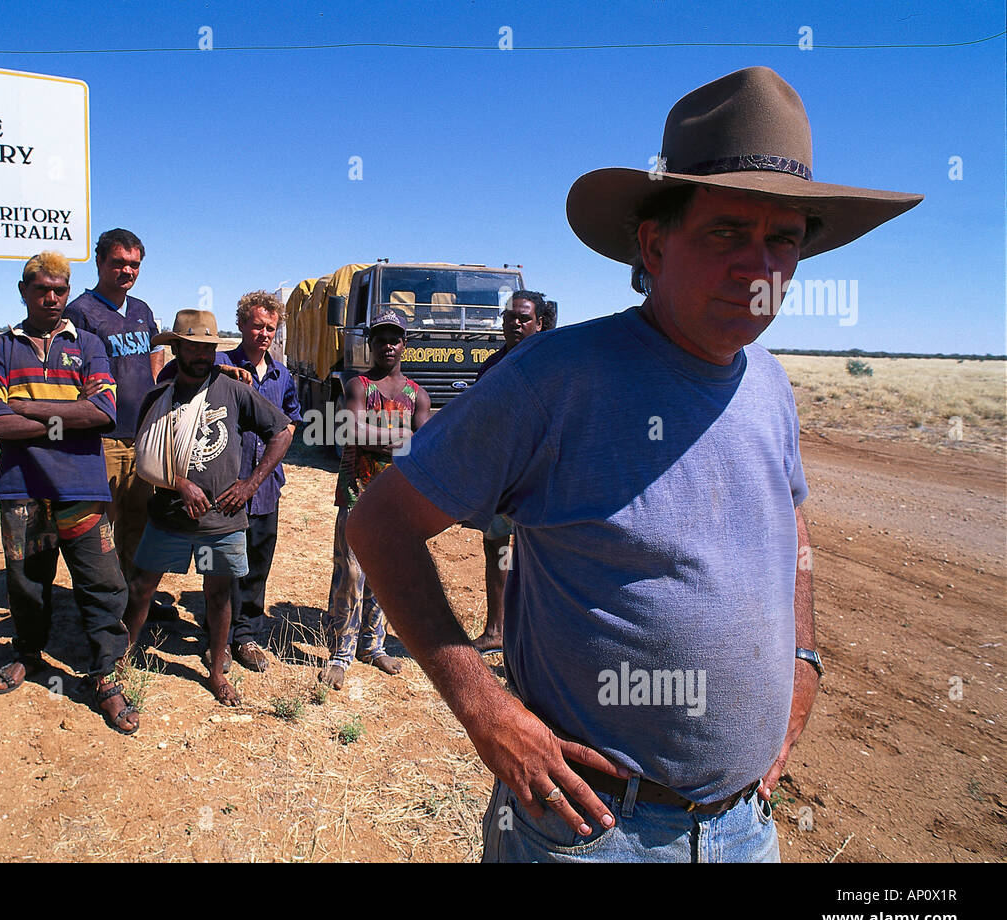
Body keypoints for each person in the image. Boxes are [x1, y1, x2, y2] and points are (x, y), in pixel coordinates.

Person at [347, 66, 921, 862]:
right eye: (727, 231)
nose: (759, 269)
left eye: (782, 239)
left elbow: (790, 526)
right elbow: (378, 523)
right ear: (655, 242)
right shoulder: (555, 379)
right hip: (590, 833)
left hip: (744, 829)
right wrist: (484, 710)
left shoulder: (771, 382)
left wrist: (803, 658)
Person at [0, 251, 137, 735]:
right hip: (22, 486)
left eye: (59, 290)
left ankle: (106, 674)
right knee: (26, 580)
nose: (51, 298)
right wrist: (68, 413)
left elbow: (104, 412)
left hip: (81, 485)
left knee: (102, 580)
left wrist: (26, 406)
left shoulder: (87, 344)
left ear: (68, 292)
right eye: (41, 289)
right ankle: (28, 654)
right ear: (23, 291)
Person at [123, 309, 293, 706]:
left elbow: (282, 431)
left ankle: (217, 671)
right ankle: (123, 655)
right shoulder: (160, 395)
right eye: (193, 347)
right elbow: (143, 455)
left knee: (219, 595)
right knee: (142, 587)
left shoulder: (233, 390)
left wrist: (251, 485)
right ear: (177, 348)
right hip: (168, 515)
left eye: (208, 348)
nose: (202, 355)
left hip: (223, 520)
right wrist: (178, 483)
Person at [62, 228, 178, 627]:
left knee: (139, 520)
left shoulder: (142, 310)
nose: (126, 270)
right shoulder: (80, 312)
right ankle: (102, 607)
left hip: (143, 434)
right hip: (103, 439)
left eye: (134, 264)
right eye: (118, 263)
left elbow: (154, 364)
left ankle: (134, 599)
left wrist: (159, 409)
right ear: (99, 263)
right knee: (103, 525)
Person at [318, 310, 431, 690]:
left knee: (387, 575)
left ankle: (373, 645)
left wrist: (383, 434)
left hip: (397, 500)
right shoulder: (358, 386)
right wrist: (404, 438)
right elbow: (352, 430)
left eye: (394, 338)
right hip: (358, 492)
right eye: (380, 338)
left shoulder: (418, 394)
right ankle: (340, 652)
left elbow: (428, 445)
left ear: (404, 345)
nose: (388, 345)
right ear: (371, 343)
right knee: (350, 574)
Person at [473, 290, 555, 655]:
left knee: (538, 557)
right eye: (510, 317)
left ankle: (535, 639)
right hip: (501, 479)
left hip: (541, 482)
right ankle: (496, 631)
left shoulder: (554, 365)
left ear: (540, 323)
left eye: (524, 318)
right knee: (496, 550)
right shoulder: (491, 367)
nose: (515, 324)